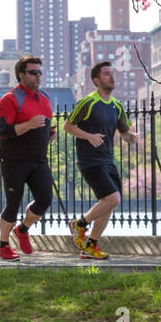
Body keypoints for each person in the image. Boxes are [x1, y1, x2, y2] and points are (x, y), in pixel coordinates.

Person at [64, 61, 140, 259]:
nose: (111, 77)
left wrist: (132, 137)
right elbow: (68, 126)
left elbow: (124, 133)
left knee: (109, 203)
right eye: (106, 74)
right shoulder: (88, 102)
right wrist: (89, 136)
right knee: (112, 198)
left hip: (108, 160)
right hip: (90, 160)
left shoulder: (116, 106)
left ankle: (91, 245)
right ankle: (79, 224)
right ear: (96, 80)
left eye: (112, 73)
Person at [0, 55, 55, 260]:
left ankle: (22, 229)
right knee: (14, 202)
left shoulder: (45, 98)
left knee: (45, 198)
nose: (38, 76)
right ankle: (3, 245)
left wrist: (48, 135)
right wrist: (29, 124)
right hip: (13, 159)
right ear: (21, 75)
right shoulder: (10, 99)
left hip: (38, 159)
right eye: (33, 72)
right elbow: (3, 131)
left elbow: (42, 127)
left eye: (40, 72)